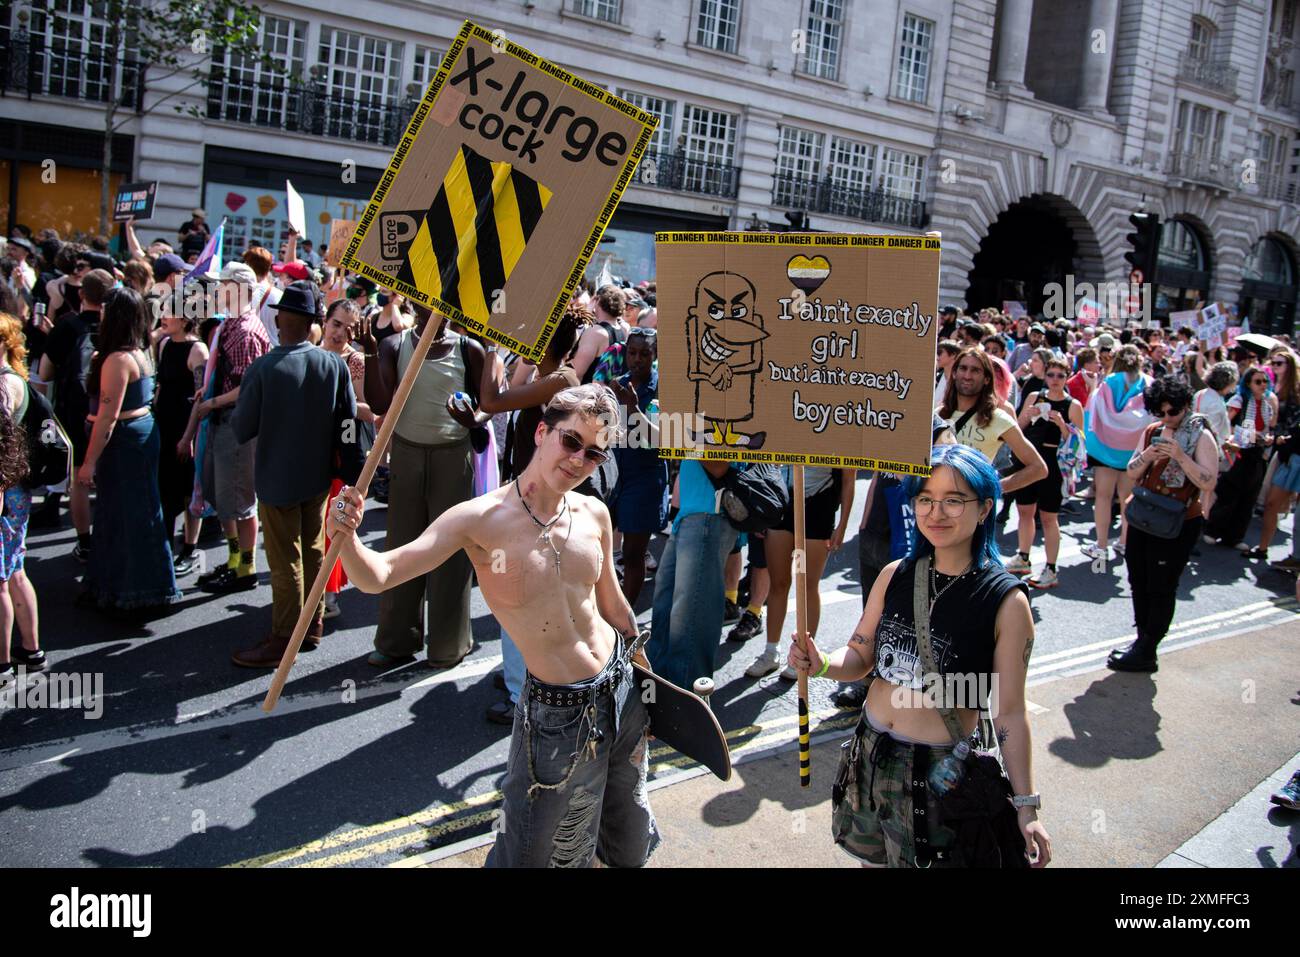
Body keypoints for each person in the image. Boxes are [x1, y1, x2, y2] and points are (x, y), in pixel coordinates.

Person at [331, 384, 658, 867]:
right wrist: (347, 536)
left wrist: (649, 685)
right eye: (571, 442)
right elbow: (377, 577)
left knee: (627, 835)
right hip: (558, 713)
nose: (579, 460)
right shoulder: (479, 520)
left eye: (594, 453)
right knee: (534, 849)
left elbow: (614, 606)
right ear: (542, 432)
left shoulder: (594, 512)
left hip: (622, 689)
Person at [789, 443, 1051, 868]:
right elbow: (861, 655)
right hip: (870, 754)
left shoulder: (1006, 602)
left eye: (953, 500)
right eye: (925, 498)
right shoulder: (896, 574)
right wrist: (820, 664)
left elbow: (1009, 713)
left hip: (939, 775)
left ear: (984, 509)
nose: (936, 512)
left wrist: (1026, 806)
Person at [228, 285, 357, 667]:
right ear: (313, 324)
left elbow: (241, 428)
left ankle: (284, 637)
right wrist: (348, 467)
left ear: (282, 320)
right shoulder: (332, 364)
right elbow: (348, 423)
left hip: (277, 478)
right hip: (318, 476)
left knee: (285, 561)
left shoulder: (264, 368)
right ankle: (312, 623)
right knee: (313, 550)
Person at [475, 306, 585, 722]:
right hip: (530, 499)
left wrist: (490, 345)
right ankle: (521, 677)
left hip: (539, 505)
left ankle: (523, 694)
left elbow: (491, 400)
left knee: (516, 594)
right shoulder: (552, 377)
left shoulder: (561, 381)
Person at [363, 305, 488, 669]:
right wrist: (371, 351)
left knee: (451, 552)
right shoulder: (394, 345)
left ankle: (448, 645)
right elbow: (379, 404)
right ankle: (395, 639)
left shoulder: (470, 349)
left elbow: (488, 404)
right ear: (414, 302)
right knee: (401, 546)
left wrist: (473, 418)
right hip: (406, 455)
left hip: (454, 457)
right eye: (427, 298)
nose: (434, 307)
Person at [77, 288, 181, 611]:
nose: (101, 313)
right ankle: (119, 585)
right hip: (135, 437)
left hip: (123, 442)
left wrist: (88, 463)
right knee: (127, 513)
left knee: (128, 515)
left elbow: (107, 417)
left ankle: (138, 591)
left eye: (107, 309)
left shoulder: (119, 359)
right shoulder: (140, 350)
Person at [1108, 377, 1219, 672]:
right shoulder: (1152, 431)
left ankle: (1148, 648)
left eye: (1173, 412)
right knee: (1137, 580)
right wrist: (1147, 455)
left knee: (1161, 585)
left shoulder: (1200, 435)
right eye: (1161, 413)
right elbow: (1131, 473)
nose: (1167, 419)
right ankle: (1141, 639)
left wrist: (1181, 456)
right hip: (1144, 515)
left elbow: (1209, 480)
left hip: (1177, 521)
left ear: (1185, 406)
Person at [194, 262, 271, 594]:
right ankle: (234, 560)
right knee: (224, 497)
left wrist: (211, 403)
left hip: (237, 425)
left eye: (223, 284)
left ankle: (246, 569)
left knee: (240, 501)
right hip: (224, 421)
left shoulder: (246, 331)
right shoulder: (230, 325)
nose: (217, 290)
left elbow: (248, 388)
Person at [743, 467, 855, 679]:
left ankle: (803, 655)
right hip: (781, 504)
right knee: (779, 583)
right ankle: (770, 652)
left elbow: (849, 477)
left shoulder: (838, 433)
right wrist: (759, 512)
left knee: (808, 585)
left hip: (818, 507)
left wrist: (842, 525)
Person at [36, 267, 115, 562]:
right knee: (109, 476)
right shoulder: (118, 326)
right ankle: (108, 537)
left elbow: (45, 372)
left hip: (74, 412)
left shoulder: (67, 326)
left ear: (82, 294)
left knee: (79, 480)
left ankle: (85, 542)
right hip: (113, 410)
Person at [647, 455, 741, 690]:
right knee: (665, 609)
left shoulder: (718, 419)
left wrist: (683, 438)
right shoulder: (697, 421)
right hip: (691, 515)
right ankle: (659, 692)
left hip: (710, 514)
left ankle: (686, 701)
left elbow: (720, 466)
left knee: (689, 618)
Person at [317, 299, 375, 620]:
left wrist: (343, 403)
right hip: (312, 449)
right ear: (325, 322)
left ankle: (330, 593)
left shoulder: (355, 361)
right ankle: (311, 589)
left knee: (335, 519)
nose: (341, 333)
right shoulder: (312, 352)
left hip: (344, 449)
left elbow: (369, 410)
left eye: (349, 328)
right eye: (336, 324)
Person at [1006, 357, 1084, 587]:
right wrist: (1028, 416)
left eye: (1060, 376)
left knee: (1049, 516)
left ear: (1067, 377)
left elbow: (1079, 444)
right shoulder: (1034, 397)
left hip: (1053, 463)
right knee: (1024, 511)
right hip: (1029, 459)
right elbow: (1016, 429)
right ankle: (1023, 556)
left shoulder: (1073, 405)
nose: (1055, 380)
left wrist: (1062, 424)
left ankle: (1051, 568)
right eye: (1051, 375)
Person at [607, 328, 667, 608]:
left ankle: (626, 618)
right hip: (615, 476)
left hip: (645, 479)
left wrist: (633, 408)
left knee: (633, 553)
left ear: (655, 355)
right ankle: (607, 608)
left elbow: (661, 440)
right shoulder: (617, 384)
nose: (637, 359)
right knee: (604, 551)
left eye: (645, 353)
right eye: (632, 353)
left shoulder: (663, 389)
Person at [939, 347, 1047, 495]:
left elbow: (1038, 468)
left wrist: (991, 490)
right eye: (963, 368)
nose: (967, 375)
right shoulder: (938, 415)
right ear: (954, 373)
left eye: (975, 370)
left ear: (987, 379)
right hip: (934, 508)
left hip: (972, 512)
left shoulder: (998, 418)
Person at [153, 295, 209, 577]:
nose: (163, 317)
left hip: (185, 427)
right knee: (166, 488)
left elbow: (199, 399)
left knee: (188, 491)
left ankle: (189, 547)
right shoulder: (163, 344)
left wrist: (188, 437)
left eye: (169, 313)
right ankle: (165, 544)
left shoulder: (198, 351)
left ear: (185, 318)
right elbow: (161, 385)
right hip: (163, 424)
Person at [1081, 344, 1152, 563]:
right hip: (1133, 450)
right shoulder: (1148, 384)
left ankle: (1101, 545)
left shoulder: (1109, 382)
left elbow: (1093, 411)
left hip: (1105, 448)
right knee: (1127, 497)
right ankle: (1124, 541)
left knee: (1103, 496)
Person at [0, 314, 42, 681]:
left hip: (4, 489)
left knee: (2, 578)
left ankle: (2, 664)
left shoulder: (3, 386)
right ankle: (32, 651)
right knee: (15, 571)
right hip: (16, 486)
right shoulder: (18, 380)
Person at [1203, 365, 1277, 549]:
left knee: (1248, 497)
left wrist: (1265, 438)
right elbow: (1225, 425)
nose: (1263, 385)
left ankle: (1235, 537)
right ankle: (1212, 530)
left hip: (1257, 454)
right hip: (1238, 451)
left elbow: (1269, 427)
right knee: (1229, 494)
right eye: (1258, 381)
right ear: (1248, 383)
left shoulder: (1267, 405)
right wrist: (1251, 435)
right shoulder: (1239, 400)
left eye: (1265, 381)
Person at [1248, 350, 1300, 557]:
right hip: (1276, 449)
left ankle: (1292, 557)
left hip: (1290, 452)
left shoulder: (1295, 392)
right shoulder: (1267, 385)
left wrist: (1283, 437)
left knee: (1274, 503)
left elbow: (1293, 424)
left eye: (1280, 362)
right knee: (1269, 502)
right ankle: (1263, 548)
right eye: (1273, 362)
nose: (1275, 366)